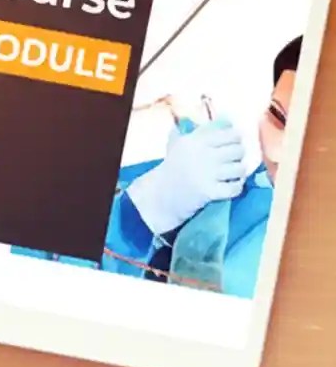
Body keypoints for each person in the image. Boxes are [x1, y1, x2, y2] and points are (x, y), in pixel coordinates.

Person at [93, 35, 302, 298]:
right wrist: (137, 213)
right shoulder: (206, 180)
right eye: (277, 115)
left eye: (309, 136)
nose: (276, 151)